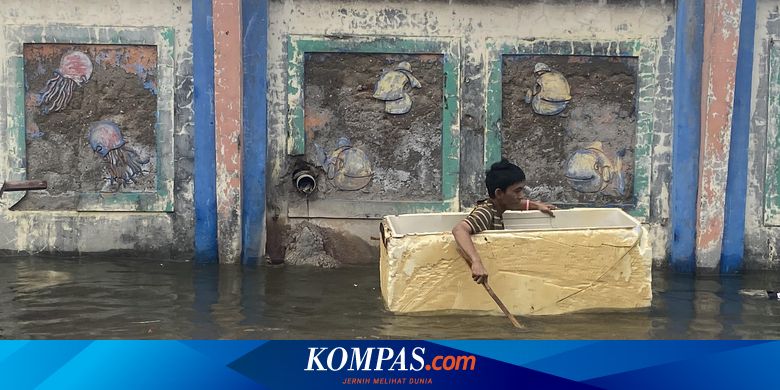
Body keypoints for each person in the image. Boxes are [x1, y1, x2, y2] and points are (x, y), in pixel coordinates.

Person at [452, 158, 557, 284]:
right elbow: (459, 230)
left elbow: (518, 203)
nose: (522, 195)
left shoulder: (498, 205)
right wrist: (476, 262)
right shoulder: (486, 212)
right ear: (499, 193)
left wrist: (537, 205)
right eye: (517, 191)